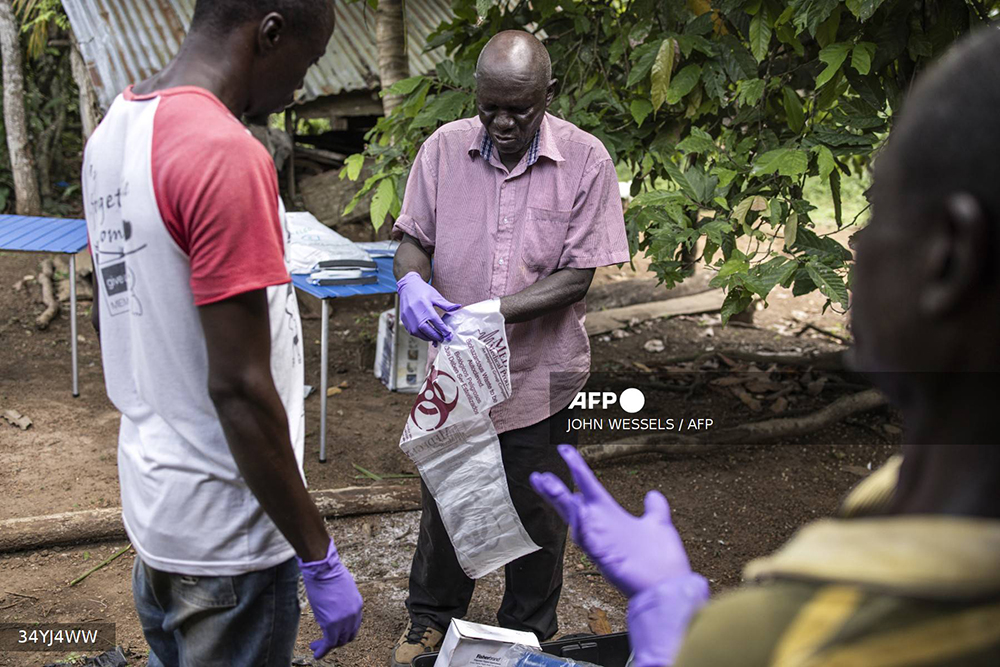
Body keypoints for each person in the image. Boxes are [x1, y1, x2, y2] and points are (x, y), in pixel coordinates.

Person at [532, 27, 1000, 667]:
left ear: (948, 259)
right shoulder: (902, 494)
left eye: (876, 206)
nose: (858, 244)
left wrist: (676, 635)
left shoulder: (782, 643)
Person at [82, 2, 362, 664]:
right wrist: (318, 552)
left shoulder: (114, 131)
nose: (302, 88)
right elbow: (238, 386)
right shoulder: (224, 153)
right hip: (231, 540)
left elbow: (111, 315)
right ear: (269, 33)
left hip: (156, 511)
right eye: (307, 61)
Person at [389, 29, 631, 665]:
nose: (500, 121)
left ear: (549, 95)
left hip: (541, 374)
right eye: (488, 105)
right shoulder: (442, 150)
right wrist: (411, 280)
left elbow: (577, 276)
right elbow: (413, 237)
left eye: (518, 109)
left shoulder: (587, 160)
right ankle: (430, 622)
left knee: (539, 509)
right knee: (449, 497)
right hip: (459, 374)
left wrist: (492, 312)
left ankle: (528, 631)